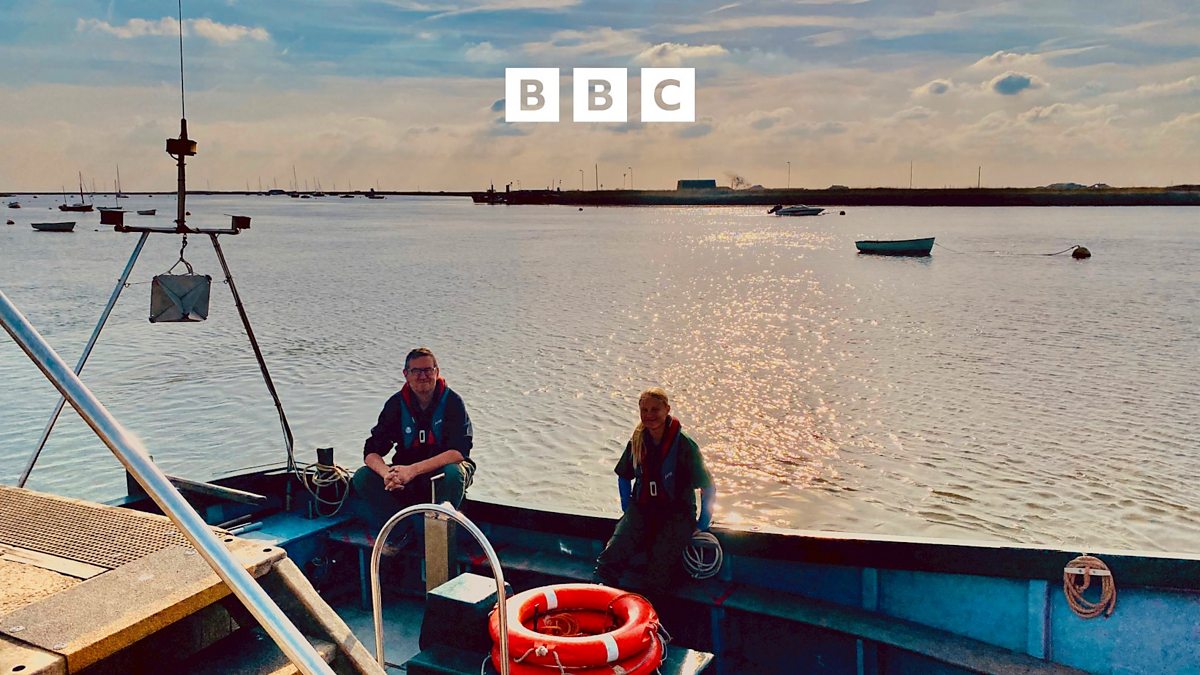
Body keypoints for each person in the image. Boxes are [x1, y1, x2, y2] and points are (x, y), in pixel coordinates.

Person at [594, 387, 715, 591]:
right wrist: (627, 509)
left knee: (658, 567)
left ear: (667, 409)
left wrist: (702, 524)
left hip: (677, 514)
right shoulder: (637, 440)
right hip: (642, 509)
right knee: (612, 553)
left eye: (655, 410)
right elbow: (624, 476)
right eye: (644, 410)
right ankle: (601, 594)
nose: (649, 416)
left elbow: (707, 486)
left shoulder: (685, 445)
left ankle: (653, 613)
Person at [351, 347, 475, 536]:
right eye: (416, 371)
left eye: (428, 370)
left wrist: (413, 470)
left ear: (437, 372)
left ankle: (438, 534)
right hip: (408, 474)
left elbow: (458, 452)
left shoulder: (452, 402)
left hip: (442, 473)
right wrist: (387, 474)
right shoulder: (395, 404)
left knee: (453, 472)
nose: (423, 376)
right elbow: (371, 451)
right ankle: (400, 530)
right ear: (406, 375)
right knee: (362, 477)